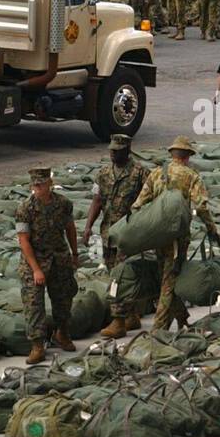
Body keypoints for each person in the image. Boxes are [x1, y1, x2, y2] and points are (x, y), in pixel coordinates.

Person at [132, 137, 220, 331]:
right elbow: (201, 206)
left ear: (172, 154)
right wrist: (211, 227)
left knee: (168, 276)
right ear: (187, 156)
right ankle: (159, 329)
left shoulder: (156, 174)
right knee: (169, 281)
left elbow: (139, 204)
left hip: (157, 236)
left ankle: (181, 317)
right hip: (177, 239)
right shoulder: (192, 176)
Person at [84, 135, 149, 338]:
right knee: (115, 275)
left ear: (127, 150)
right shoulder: (103, 174)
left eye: (118, 151)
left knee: (120, 278)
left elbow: (150, 203)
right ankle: (131, 315)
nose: (113, 154)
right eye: (112, 151)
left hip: (129, 235)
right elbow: (97, 201)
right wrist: (88, 227)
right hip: (109, 235)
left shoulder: (140, 173)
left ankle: (119, 320)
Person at [16, 167, 79, 364]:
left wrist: (74, 254)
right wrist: (36, 269)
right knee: (34, 304)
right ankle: (37, 345)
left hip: (59, 258)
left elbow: (70, 229)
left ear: (49, 184)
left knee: (63, 299)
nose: (37, 188)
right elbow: (24, 241)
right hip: (34, 260)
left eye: (41, 184)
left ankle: (62, 333)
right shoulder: (25, 209)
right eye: (34, 185)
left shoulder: (63, 204)